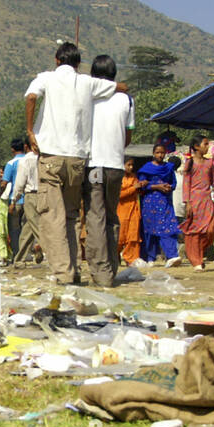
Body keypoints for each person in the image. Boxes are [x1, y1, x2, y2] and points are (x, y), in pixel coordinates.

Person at [24, 43, 128, 284]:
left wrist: (31, 130)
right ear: (78, 64)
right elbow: (121, 87)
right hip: (78, 160)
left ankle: (65, 273)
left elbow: (31, 97)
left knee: (52, 216)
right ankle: (74, 267)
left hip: (51, 155)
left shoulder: (46, 78)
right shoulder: (88, 83)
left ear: (56, 60)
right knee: (72, 216)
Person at [87, 54, 134, 283]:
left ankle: (100, 270)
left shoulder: (87, 97)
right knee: (111, 216)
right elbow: (127, 136)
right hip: (116, 165)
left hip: (93, 165)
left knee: (95, 216)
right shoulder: (127, 100)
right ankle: (112, 268)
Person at [177, 137, 214, 268]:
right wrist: (187, 202)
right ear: (196, 146)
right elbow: (186, 184)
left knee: (210, 230)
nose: (207, 146)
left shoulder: (209, 163)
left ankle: (199, 253)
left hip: (207, 200)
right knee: (195, 232)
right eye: (205, 144)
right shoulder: (190, 163)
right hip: (194, 201)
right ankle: (196, 260)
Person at [137, 143, 182, 265]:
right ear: (153, 153)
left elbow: (173, 183)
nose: (160, 155)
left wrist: (169, 187)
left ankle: (172, 255)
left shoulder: (168, 168)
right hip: (150, 202)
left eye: (162, 153)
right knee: (149, 229)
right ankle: (150, 257)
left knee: (168, 227)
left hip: (165, 202)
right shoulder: (146, 168)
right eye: (157, 152)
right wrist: (157, 186)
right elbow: (141, 186)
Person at [11, 140, 42, 265]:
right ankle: (20, 259)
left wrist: (14, 200)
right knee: (28, 228)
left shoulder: (25, 161)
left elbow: (20, 183)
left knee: (36, 227)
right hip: (45, 194)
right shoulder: (43, 158)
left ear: (25, 146)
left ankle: (48, 249)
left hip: (31, 196)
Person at [116, 156, 142, 266]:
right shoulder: (117, 178)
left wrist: (140, 186)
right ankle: (114, 256)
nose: (131, 167)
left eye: (132, 165)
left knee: (133, 236)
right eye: (128, 165)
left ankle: (131, 259)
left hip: (133, 211)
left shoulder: (134, 177)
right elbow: (119, 195)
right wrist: (133, 188)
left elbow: (137, 192)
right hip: (121, 211)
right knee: (119, 236)